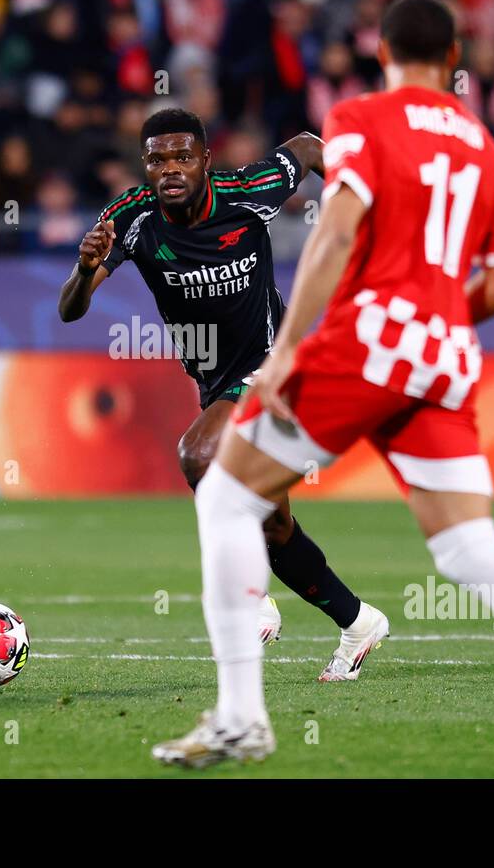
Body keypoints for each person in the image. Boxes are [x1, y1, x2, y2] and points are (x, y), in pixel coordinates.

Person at [153, 0, 494, 772]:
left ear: (383, 53)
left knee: (222, 493)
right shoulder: (487, 149)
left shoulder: (361, 117)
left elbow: (338, 230)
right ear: (455, 60)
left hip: (370, 342)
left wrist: (283, 355)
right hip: (444, 356)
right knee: (468, 548)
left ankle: (241, 717)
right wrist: (440, 321)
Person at [58, 108, 388, 679]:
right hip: (213, 380)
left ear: (205, 160)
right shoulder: (130, 218)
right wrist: (86, 270)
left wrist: (358, 200)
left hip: (273, 363)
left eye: (183, 156)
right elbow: (70, 310)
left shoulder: (248, 191)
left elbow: (308, 146)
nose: (171, 169)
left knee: (198, 454)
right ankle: (358, 622)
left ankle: (250, 595)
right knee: (274, 526)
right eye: (158, 159)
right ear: (146, 165)